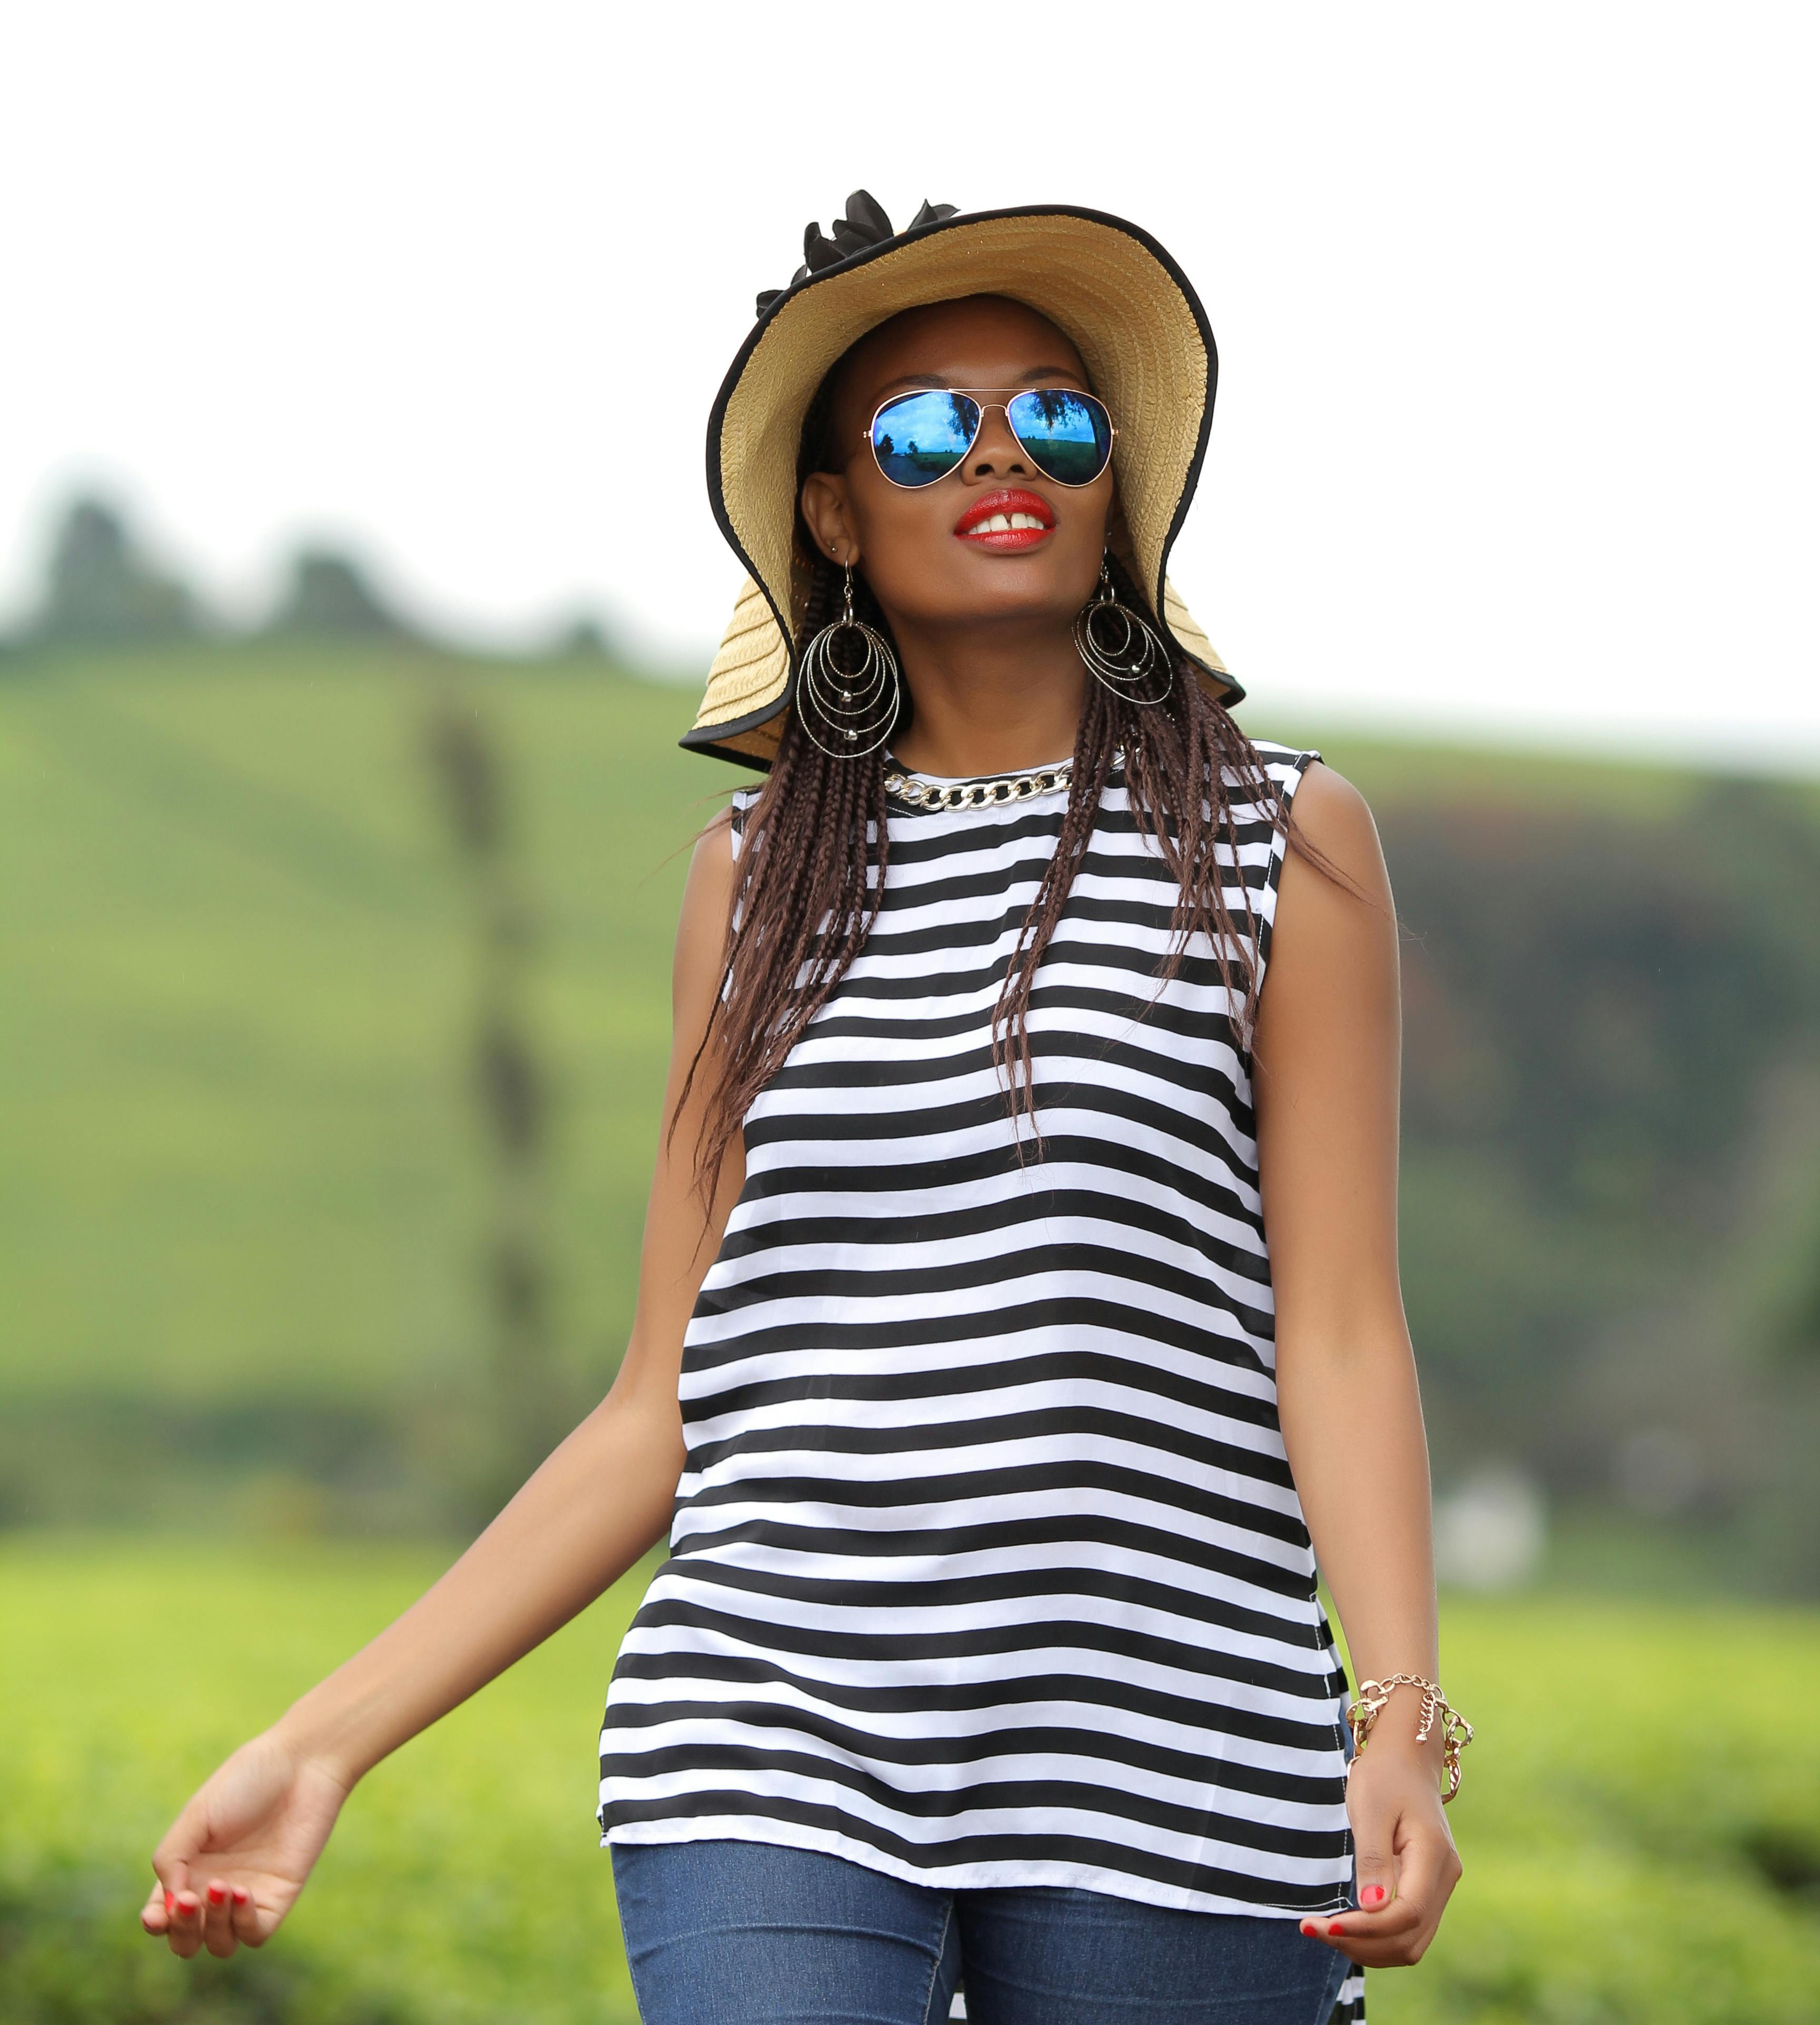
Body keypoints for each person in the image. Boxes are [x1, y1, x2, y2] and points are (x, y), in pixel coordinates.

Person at [142, 198, 1467, 2025]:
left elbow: (1337, 1331)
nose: (1003, 451)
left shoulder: (1280, 843)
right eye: (927, 426)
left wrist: (1402, 1721)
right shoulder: (752, 881)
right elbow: (660, 1403)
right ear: (834, 514)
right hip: (767, 1723)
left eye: (1058, 417)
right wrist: (321, 1743)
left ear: (1114, 487)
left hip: (1175, 1739)